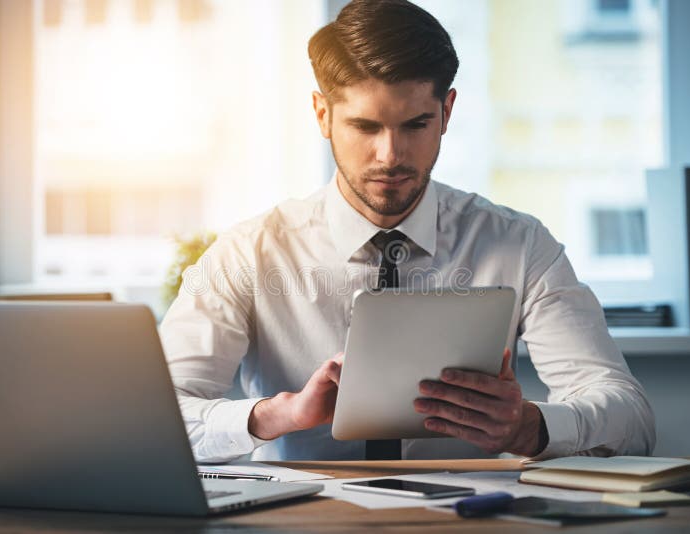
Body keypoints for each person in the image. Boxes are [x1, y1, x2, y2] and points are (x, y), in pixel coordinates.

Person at [159, 0, 655, 463]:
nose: (390, 155)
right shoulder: (249, 254)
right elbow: (159, 417)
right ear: (322, 115)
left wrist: (530, 426)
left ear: (447, 112)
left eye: (415, 124)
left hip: (467, 518)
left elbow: (632, 419)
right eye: (365, 127)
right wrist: (279, 414)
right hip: (304, 523)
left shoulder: (521, 246)